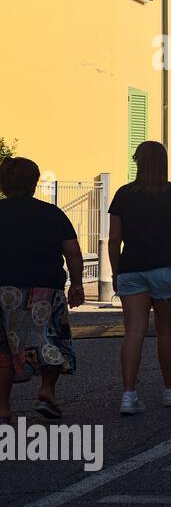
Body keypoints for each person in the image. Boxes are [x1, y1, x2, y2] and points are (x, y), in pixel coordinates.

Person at [107, 140, 171, 415]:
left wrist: (115, 271)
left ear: (138, 162)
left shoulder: (123, 195)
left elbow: (114, 239)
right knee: (166, 332)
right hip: (167, 270)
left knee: (133, 331)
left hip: (131, 269)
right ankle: (170, 391)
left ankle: (128, 394)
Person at [0, 157, 82, 424]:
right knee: (48, 337)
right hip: (45, 288)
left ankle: (3, 407)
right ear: (34, 184)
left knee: (3, 347)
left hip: (3, 287)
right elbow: (72, 252)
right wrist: (78, 284)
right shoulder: (52, 213)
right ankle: (46, 390)